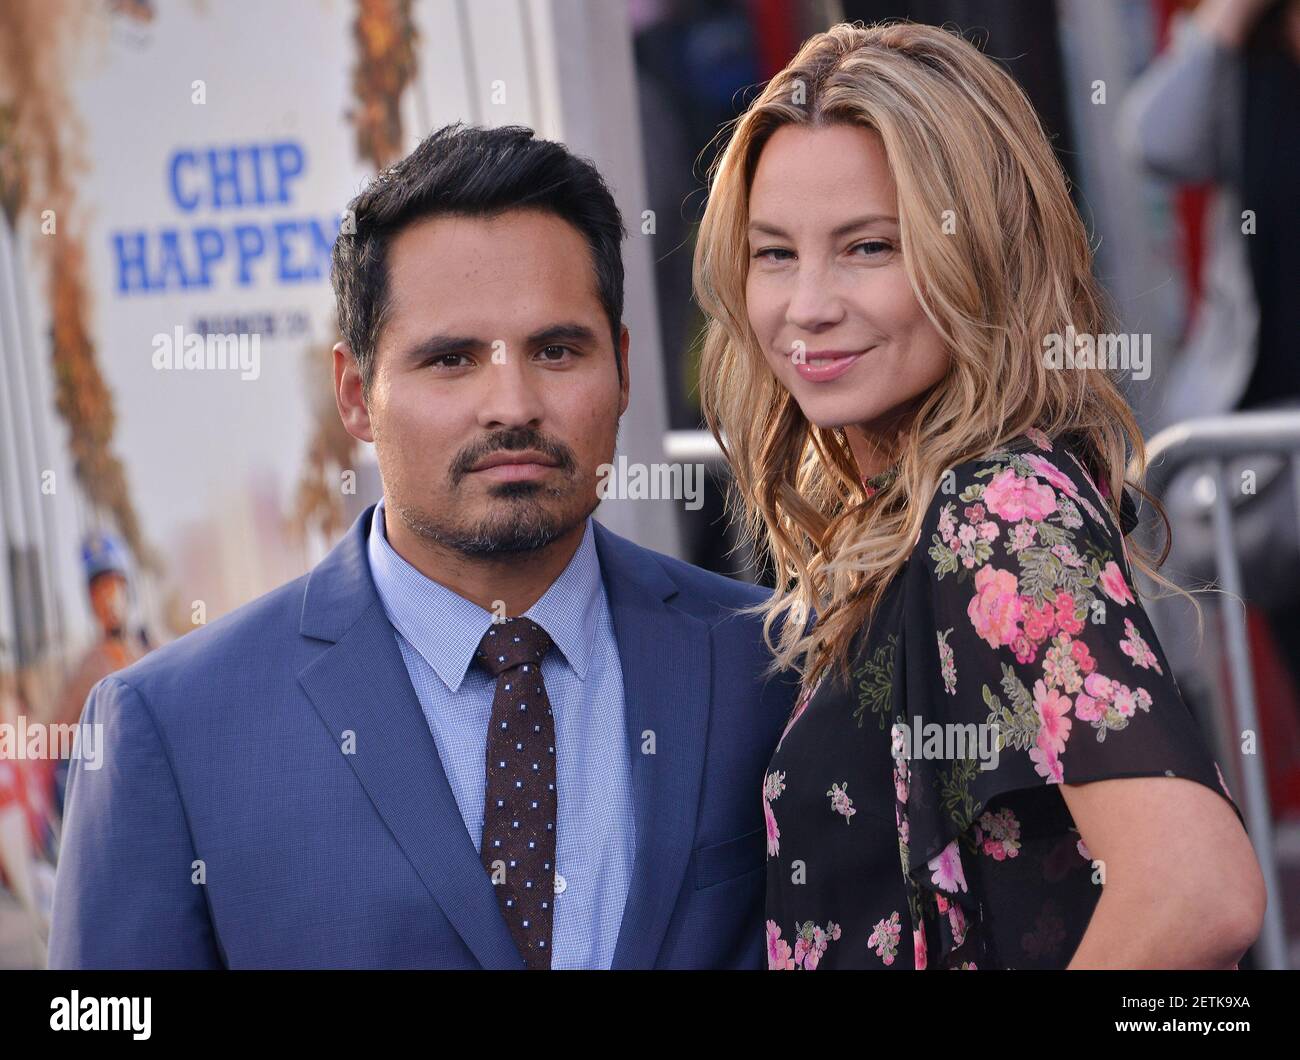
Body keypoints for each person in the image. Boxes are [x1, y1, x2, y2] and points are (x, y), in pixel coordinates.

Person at [48, 122, 799, 969]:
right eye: (451, 360)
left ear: (623, 371)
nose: (511, 403)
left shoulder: (769, 665)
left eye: (556, 350)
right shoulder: (173, 730)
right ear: (356, 395)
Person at [692, 21, 1266, 969]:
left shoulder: (999, 510)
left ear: (982, 253)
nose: (808, 305)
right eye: (774, 254)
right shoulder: (916, 514)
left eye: (869, 247)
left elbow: (1198, 892)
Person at [50, 532, 149, 816]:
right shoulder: (87, 667)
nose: (108, 602)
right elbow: (54, 737)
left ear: (127, 590)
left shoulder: (152, 649)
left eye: (113, 589)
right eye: (98, 594)